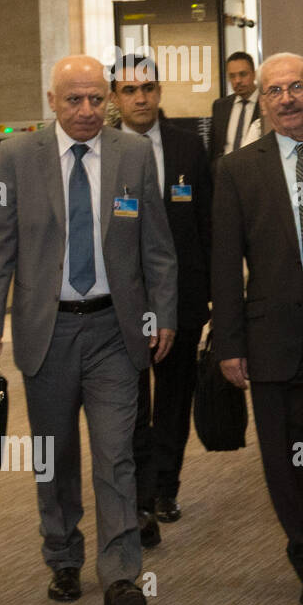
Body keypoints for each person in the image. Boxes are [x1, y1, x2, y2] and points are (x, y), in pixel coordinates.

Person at [0, 55, 177, 605]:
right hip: (49, 329)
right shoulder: (18, 156)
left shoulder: (133, 154)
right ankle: (63, 555)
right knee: (54, 454)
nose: (88, 110)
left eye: (96, 99)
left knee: (116, 455)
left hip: (116, 328)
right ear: (52, 101)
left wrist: (163, 312)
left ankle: (120, 574)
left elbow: (156, 245)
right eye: (75, 100)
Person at [211, 52, 303, 605]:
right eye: (274, 91)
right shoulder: (237, 170)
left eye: (297, 87)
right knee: (285, 450)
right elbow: (226, 264)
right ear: (262, 102)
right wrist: (228, 343)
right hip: (272, 330)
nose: (286, 99)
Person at [110, 54, 212, 538]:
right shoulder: (104, 151)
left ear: (159, 91)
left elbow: (208, 225)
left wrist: (215, 296)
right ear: (116, 97)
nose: (141, 98)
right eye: (130, 90)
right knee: (131, 401)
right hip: (122, 301)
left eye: (148, 88)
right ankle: (138, 494)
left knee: (174, 398)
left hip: (184, 297)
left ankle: (164, 488)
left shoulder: (189, 148)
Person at [210, 51, 262, 160]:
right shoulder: (220, 106)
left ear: (254, 74)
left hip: (254, 169)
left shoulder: (266, 104)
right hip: (224, 172)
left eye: (243, 74)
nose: (237, 80)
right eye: (232, 76)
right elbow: (214, 147)